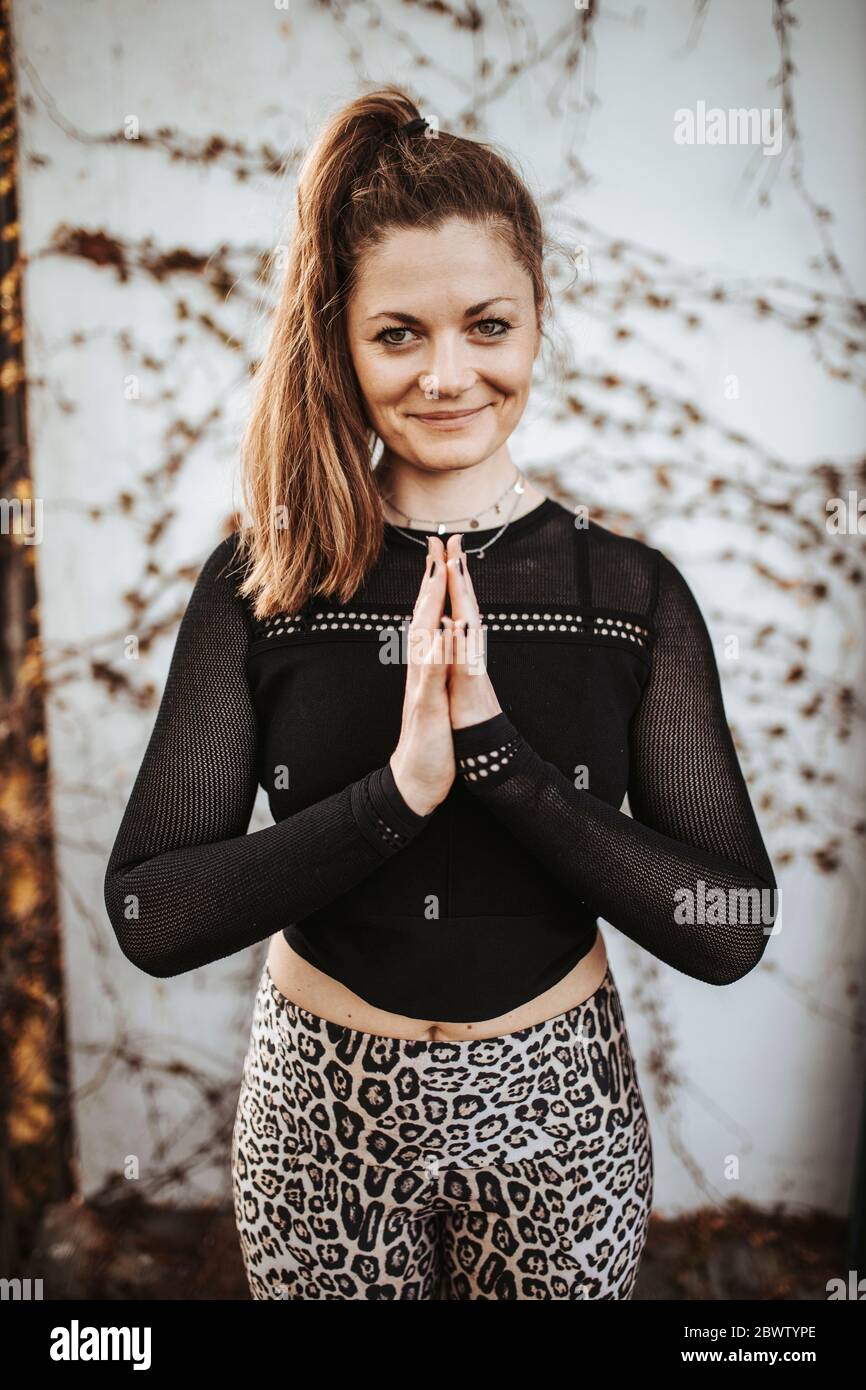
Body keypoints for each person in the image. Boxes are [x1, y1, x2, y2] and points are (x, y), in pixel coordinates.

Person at [103, 86, 778, 1301]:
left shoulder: (625, 593)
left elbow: (727, 927)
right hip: (321, 1118)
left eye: (486, 325)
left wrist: (501, 766)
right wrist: (397, 794)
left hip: (559, 1115)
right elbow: (152, 913)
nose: (447, 374)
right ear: (342, 344)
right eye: (398, 334)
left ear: (535, 321)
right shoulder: (265, 581)